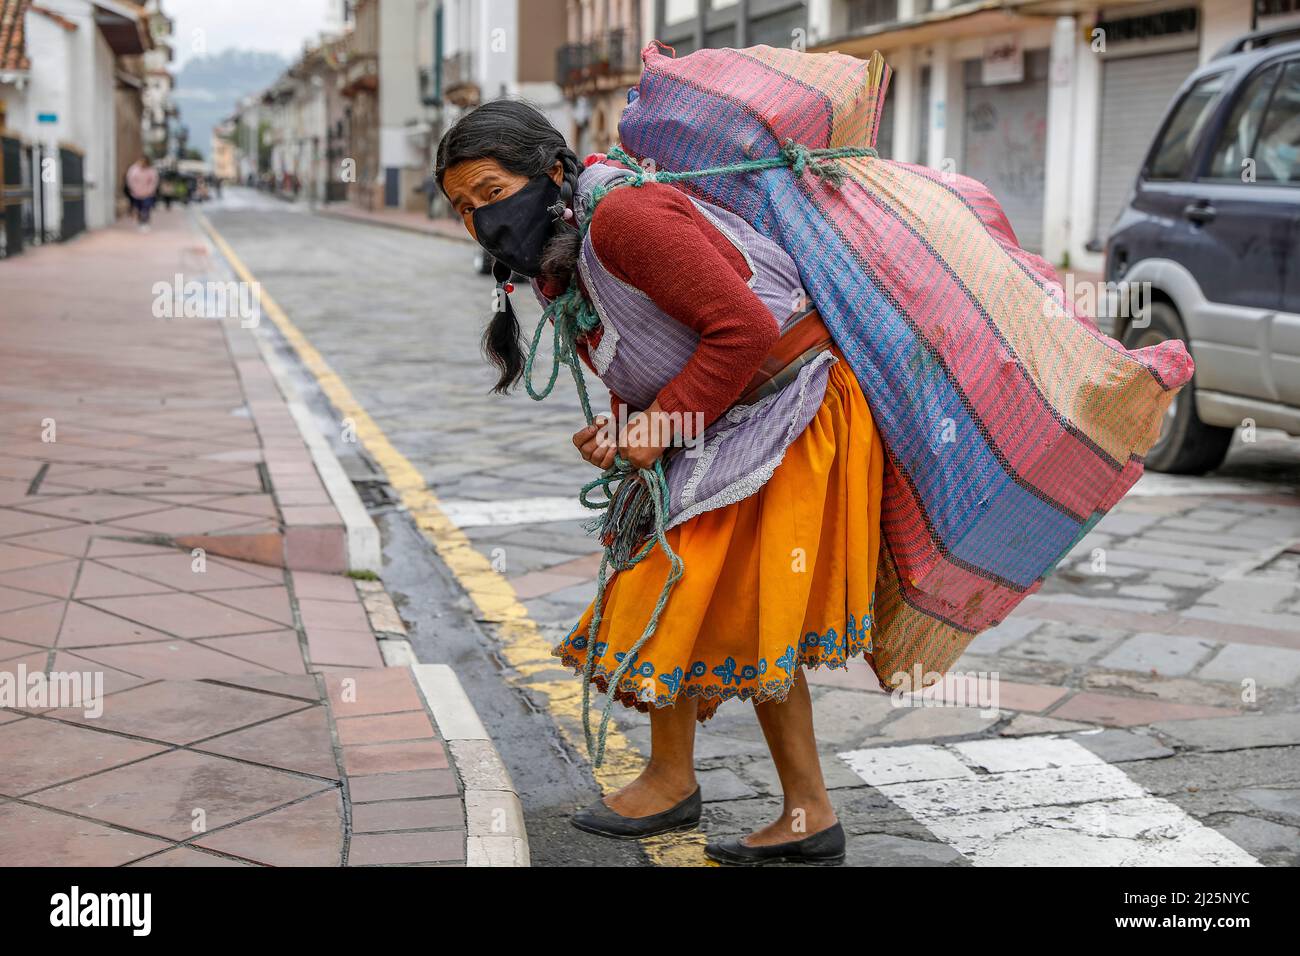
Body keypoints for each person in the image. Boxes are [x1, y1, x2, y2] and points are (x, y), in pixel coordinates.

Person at [437, 100, 885, 866]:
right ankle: (674, 778)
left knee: (726, 602)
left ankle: (803, 809)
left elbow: (740, 328)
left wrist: (659, 426)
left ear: (551, 170)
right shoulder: (561, 255)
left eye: (490, 191)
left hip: (790, 406)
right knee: (665, 583)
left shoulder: (623, 221)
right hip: (717, 414)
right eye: (463, 209)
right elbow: (649, 356)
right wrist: (625, 434)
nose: (483, 219)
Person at [124, 155, 159, 230]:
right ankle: (140, 222)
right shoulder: (133, 169)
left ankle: (145, 222)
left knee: (146, 207)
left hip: (148, 193)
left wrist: (150, 190)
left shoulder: (151, 170)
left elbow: (154, 181)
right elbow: (130, 180)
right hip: (136, 193)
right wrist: (134, 189)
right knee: (139, 208)